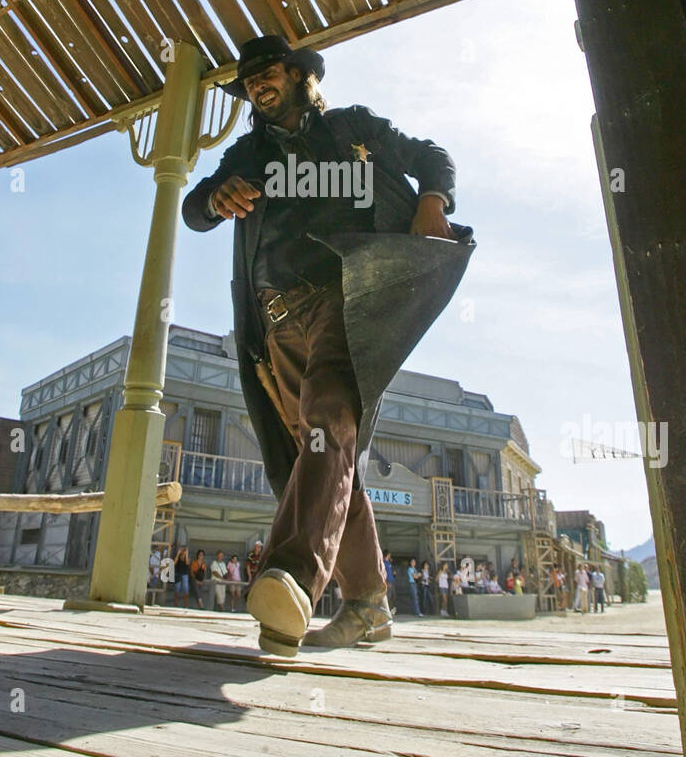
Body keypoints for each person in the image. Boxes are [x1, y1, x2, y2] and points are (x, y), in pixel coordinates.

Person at [182, 35, 472, 656]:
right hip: (273, 323)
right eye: (247, 81)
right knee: (323, 450)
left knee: (329, 417)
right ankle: (368, 605)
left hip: (346, 297)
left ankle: (290, 576)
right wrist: (213, 198)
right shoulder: (247, 154)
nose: (256, 85)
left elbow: (432, 156)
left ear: (298, 74)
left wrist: (432, 203)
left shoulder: (352, 128)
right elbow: (193, 211)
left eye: (266, 73)